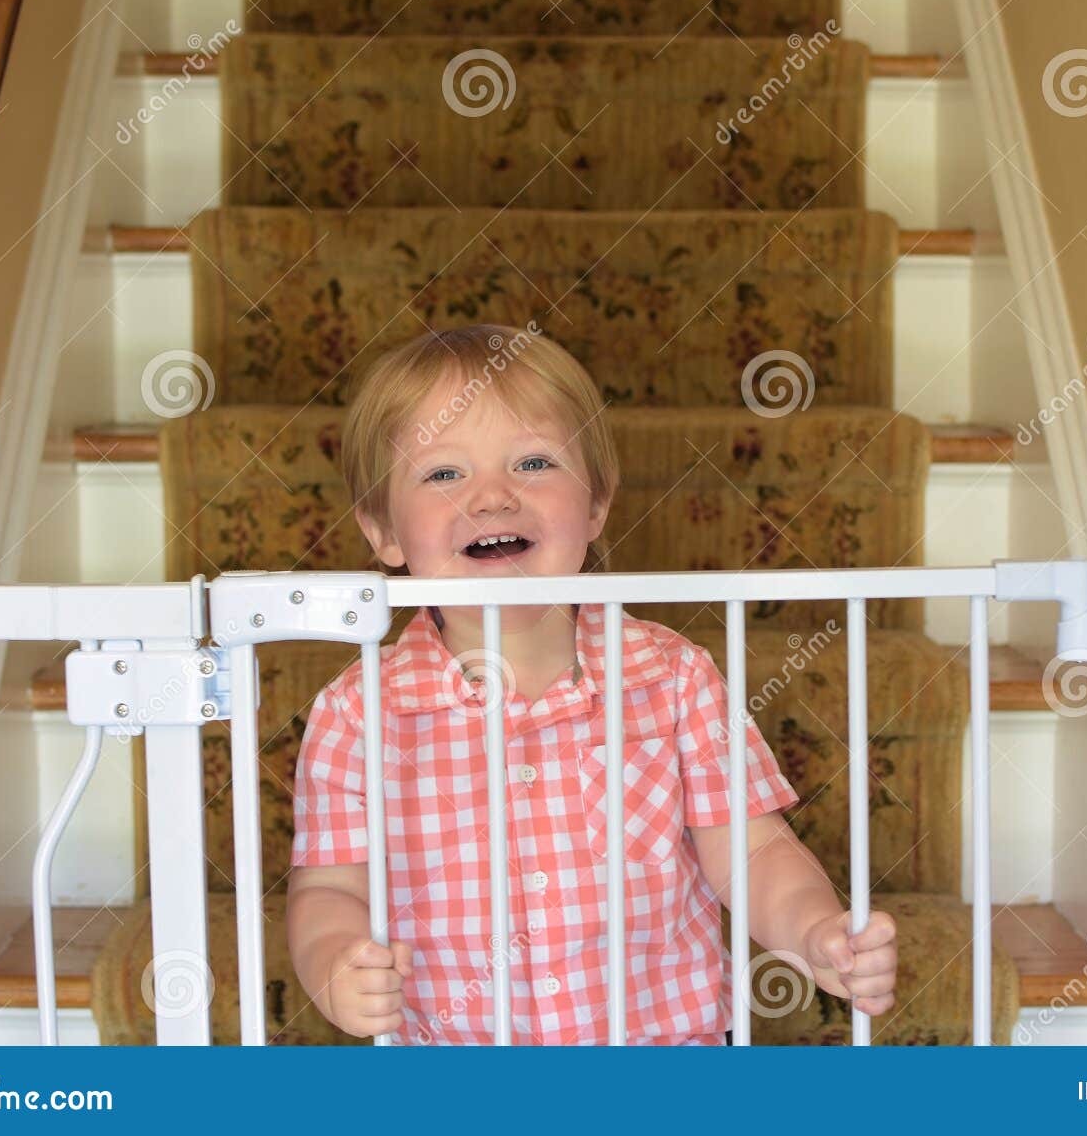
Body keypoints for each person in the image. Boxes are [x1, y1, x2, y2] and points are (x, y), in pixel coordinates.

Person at [285, 322, 897, 1044]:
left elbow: (755, 853)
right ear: (384, 532)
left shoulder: (673, 679)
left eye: (534, 462)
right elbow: (329, 888)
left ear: (597, 506)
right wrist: (333, 964)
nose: (491, 497)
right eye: (443, 473)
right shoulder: (358, 715)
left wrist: (815, 927)